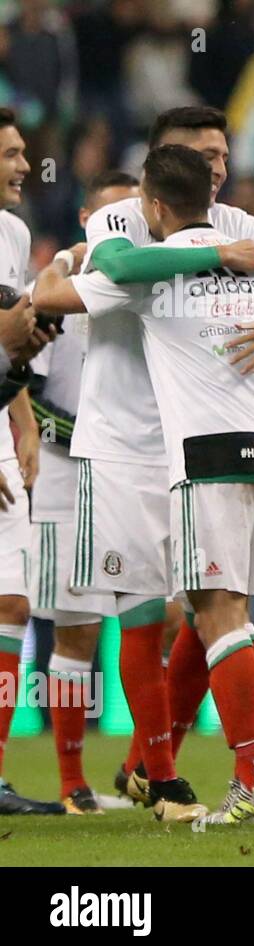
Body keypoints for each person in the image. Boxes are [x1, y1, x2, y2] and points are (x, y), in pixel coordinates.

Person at [34, 105, 254, 822]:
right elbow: (68, 287)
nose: (218, 165)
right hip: (167, 441)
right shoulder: (134, 222)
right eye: (203, 154)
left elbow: (76, 289)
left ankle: (200, 770)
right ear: (167, 166)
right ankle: (140, 772)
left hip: (199, 445)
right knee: (158, 614)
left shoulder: (226, 235)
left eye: (223, 153)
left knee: (210, 612)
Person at [27, 171, 138, 814]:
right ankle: (72, 784)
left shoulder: (149, 286)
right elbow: (27, 393)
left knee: (170, 615)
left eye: (132, 214)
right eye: (109, 214)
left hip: (140, 472)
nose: (120, 228)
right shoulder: (55, 293)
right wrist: (92, 436)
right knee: (76, 630)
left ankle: (144, 768)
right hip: (69, 474)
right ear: (85, 217)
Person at [0, 105, 61, 816]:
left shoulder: (13, 233)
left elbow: (12, 341)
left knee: (13, 601)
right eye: (11, 154)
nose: (23, 165)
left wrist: (23, 424)